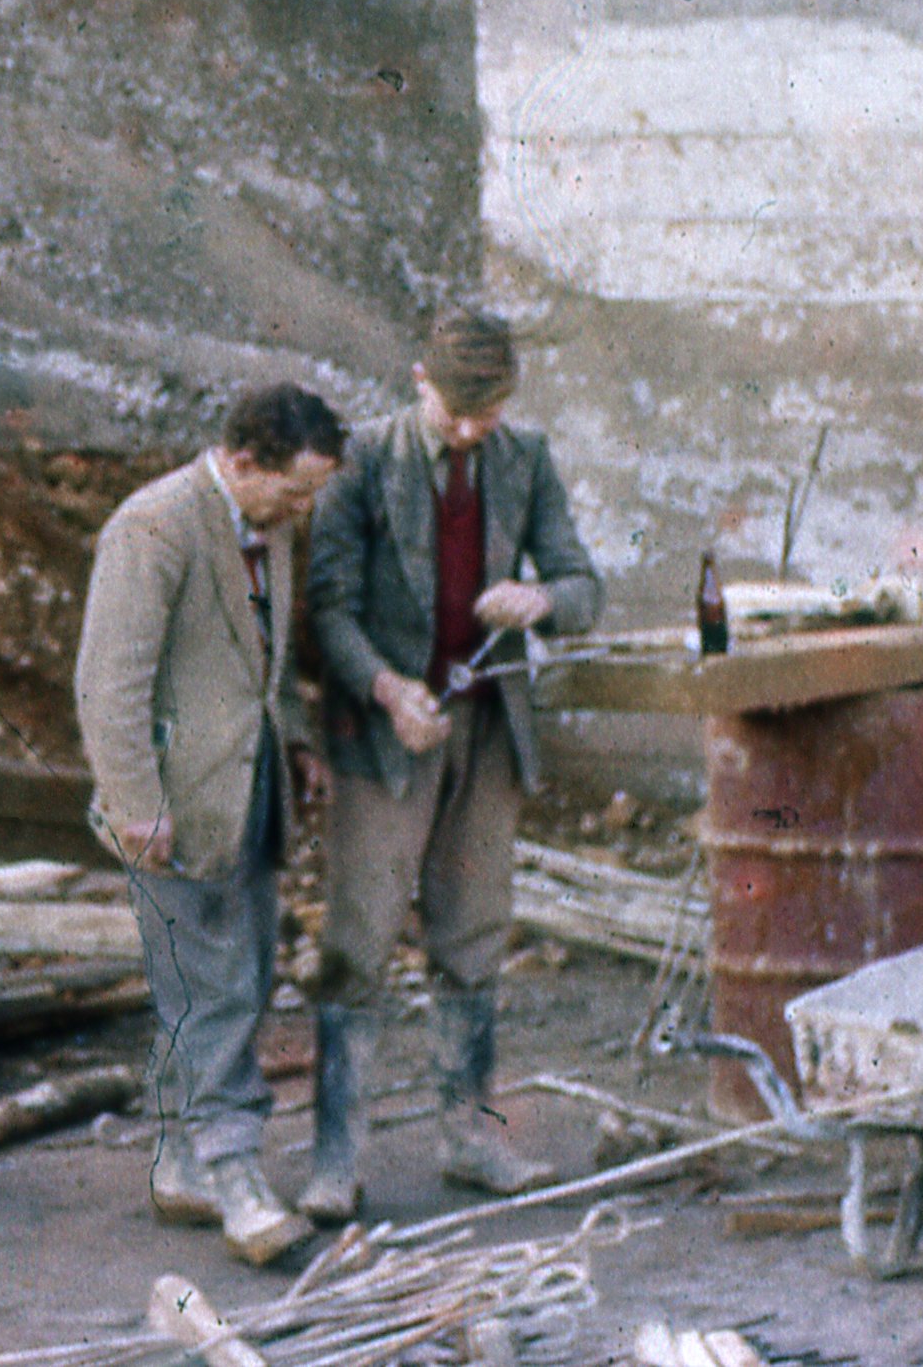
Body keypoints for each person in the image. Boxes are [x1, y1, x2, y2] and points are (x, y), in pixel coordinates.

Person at [298, 308, 600, 1223]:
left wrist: (542, 595)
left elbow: (586, 585)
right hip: (385, 733)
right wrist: (388, 688)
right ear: (420, 379)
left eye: (489, 411)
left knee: (472, 935)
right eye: (457, 410)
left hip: (486, 728)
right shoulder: (363, 462)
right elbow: (327, 607)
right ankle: (333, 1158)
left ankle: (472, 1136)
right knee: (359, 941)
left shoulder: (526, 458)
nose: (472, 430)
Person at [73, 382, 350, 1267]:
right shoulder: (153, 529)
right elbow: (107, 686)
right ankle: (236, 1179)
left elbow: (262, 662)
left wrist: (299, 741)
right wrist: (136, 803)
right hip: (178, 801)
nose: (303, 511)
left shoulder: (263, 524)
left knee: (224, 977)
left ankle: (180, 1162)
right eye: (294, 491)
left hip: (250, 789)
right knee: (218, 987)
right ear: (240, 460)